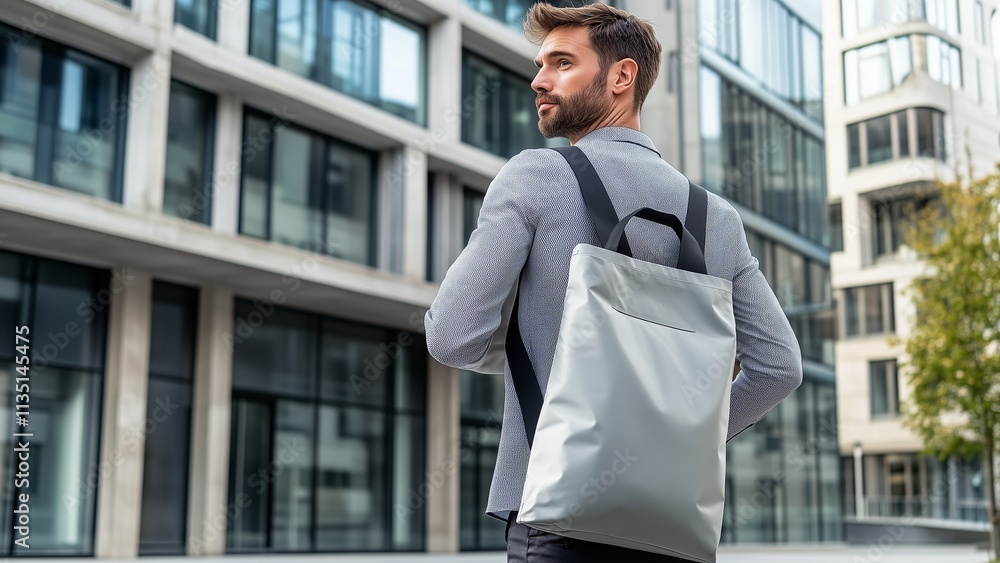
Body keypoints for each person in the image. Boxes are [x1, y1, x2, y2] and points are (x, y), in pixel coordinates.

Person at [424, 3, 803, 562]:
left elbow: (452, 334)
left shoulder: (536, 176)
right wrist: (675, 440)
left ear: (622, 77)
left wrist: (546, 351)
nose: (538, 79)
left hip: (555, 512)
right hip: (673, 525)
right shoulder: (715, 217)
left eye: (560, 62)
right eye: (540, 64)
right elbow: (779, 368)